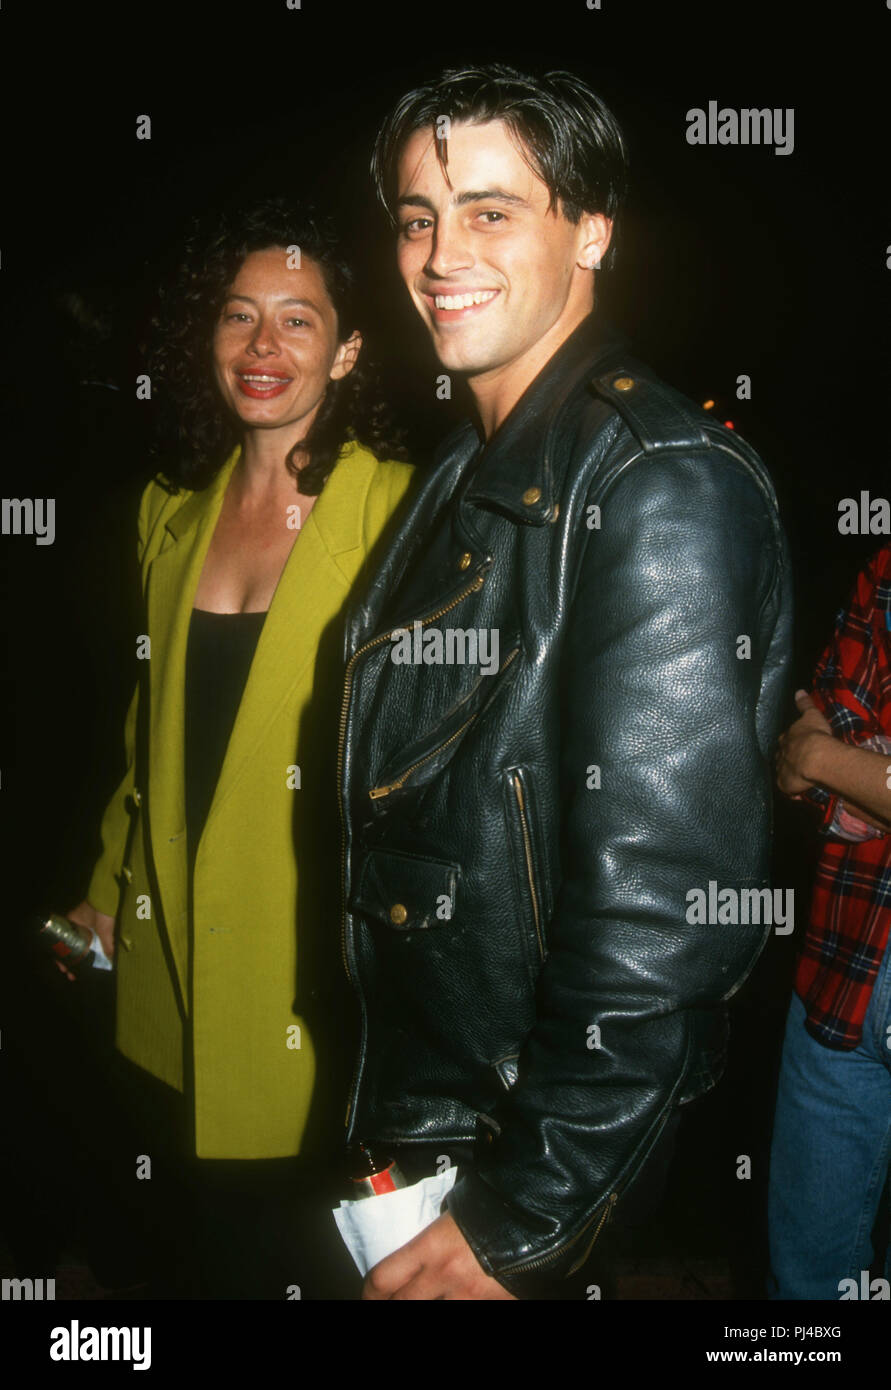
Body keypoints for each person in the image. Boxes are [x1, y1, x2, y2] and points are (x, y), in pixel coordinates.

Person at [335, 64, 793, 1300]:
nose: (441, 255)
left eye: (491, 211)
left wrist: (519, 1215)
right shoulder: (468, 467)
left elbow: (668, 912)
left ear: (591, 230)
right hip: (437, 1123)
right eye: (419, 216)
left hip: (514, 1157)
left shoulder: (655, 481)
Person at [56, 197, 414, 1298]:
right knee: (191, 1247)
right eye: (239, 317)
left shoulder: (402, 515)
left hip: (319, 981)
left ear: (350, 348)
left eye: (299, 321)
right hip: (173, 962)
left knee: (300, 1256)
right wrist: (107, 891)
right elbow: (149, 729)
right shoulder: (169, 512)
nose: (263, 347)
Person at [769, 548, 891, 1300]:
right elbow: (795, 751)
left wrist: (831, 761)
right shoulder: (883, 568)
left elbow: (817, 753)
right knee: (805, 1290)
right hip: (842, 968)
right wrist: (829, 761)